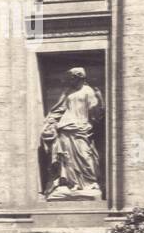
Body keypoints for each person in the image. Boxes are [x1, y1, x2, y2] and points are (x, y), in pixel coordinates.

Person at [40, 67, 104, 200]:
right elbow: (59, 109)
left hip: (81, 128)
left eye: (72, 78)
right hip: (65, 128)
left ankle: (89, 183)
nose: (70, 81)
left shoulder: (88, 91)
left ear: (80, 77)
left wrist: (100, 99)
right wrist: (50, 121)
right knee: (66, 157)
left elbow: (96, 112)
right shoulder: (68, 92)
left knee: (84, 155)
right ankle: (70, 183)